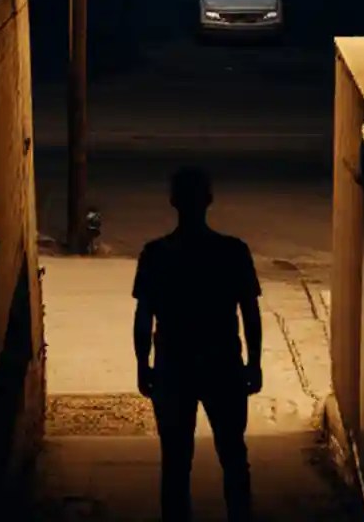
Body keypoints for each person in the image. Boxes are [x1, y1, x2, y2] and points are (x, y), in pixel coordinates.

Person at [133, 166, 263, 522]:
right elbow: (250, 312)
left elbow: (144, 316)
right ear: (209, 200)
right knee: (234, 455)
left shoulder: (156, 255)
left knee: (175, 461)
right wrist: (254, 362)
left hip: (174, 367)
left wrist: (143, 365)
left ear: (173, 201)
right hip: (223, 364)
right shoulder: (233, 252)